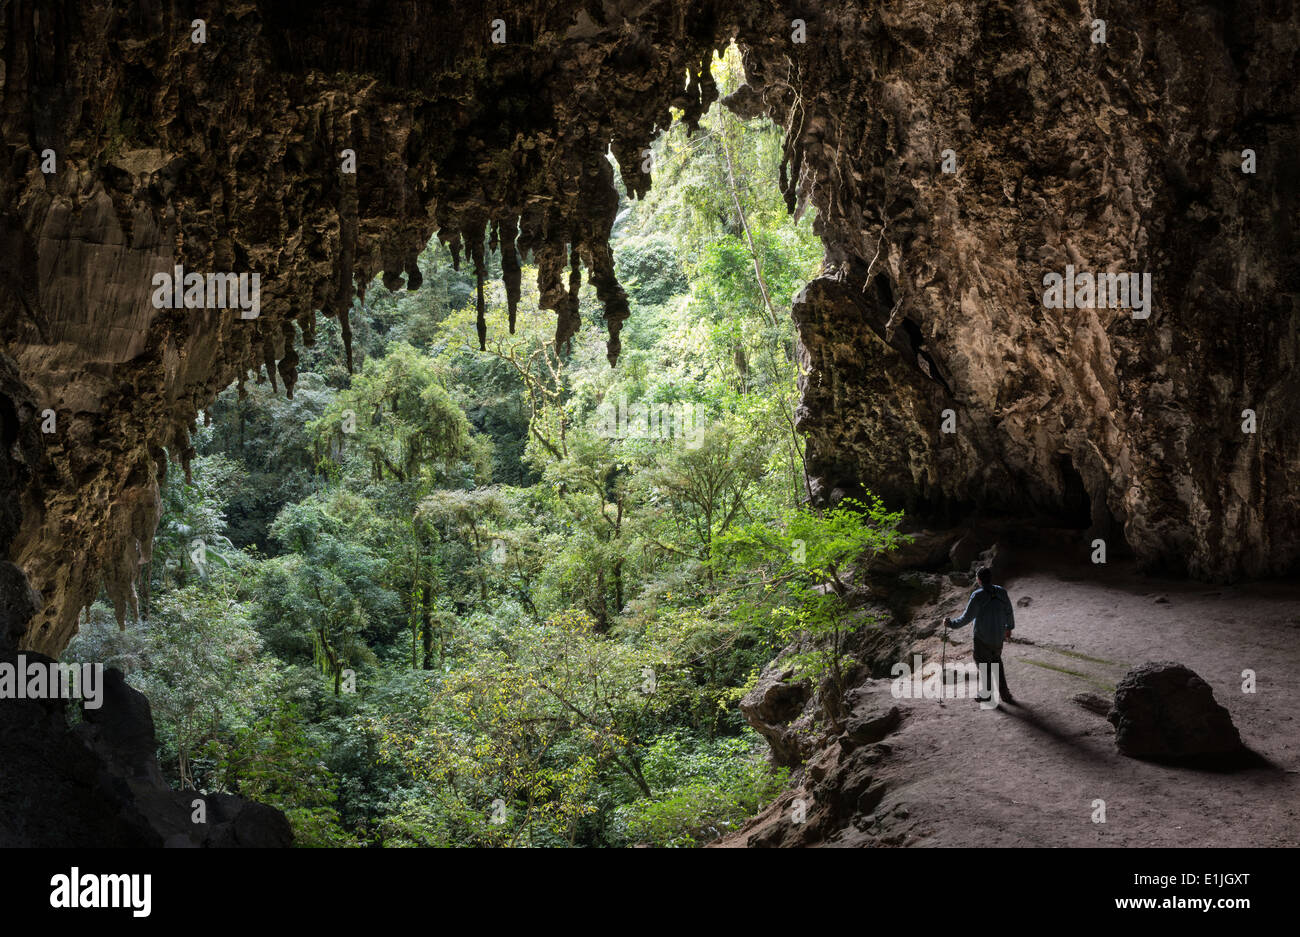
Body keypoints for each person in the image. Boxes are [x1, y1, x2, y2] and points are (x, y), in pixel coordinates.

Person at [944, 567, 1016, 705]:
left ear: (979, 580)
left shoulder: (978, 595)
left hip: (982, 637)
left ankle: (986, 694)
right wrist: (1009, 628)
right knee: (997, 662)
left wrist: (950, 624)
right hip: (998, 636)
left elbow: (966, 618)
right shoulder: (1001, 591)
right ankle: (1005, 693)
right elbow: (1009, 612)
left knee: (983, 664)